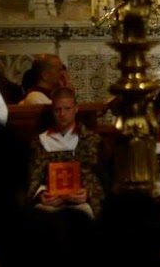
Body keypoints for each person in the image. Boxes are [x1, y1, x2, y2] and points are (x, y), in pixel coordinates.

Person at [27, 88, 105, 218]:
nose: (62, 114)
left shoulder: (91, 140)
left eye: (67, 109)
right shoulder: (40, 141)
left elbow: (103, 179)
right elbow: (32, 179)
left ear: (76, 109)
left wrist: (88, 193)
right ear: (52, 111)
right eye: (58, 110)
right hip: (50, 203)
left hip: (82, 202)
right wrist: (41, 195)